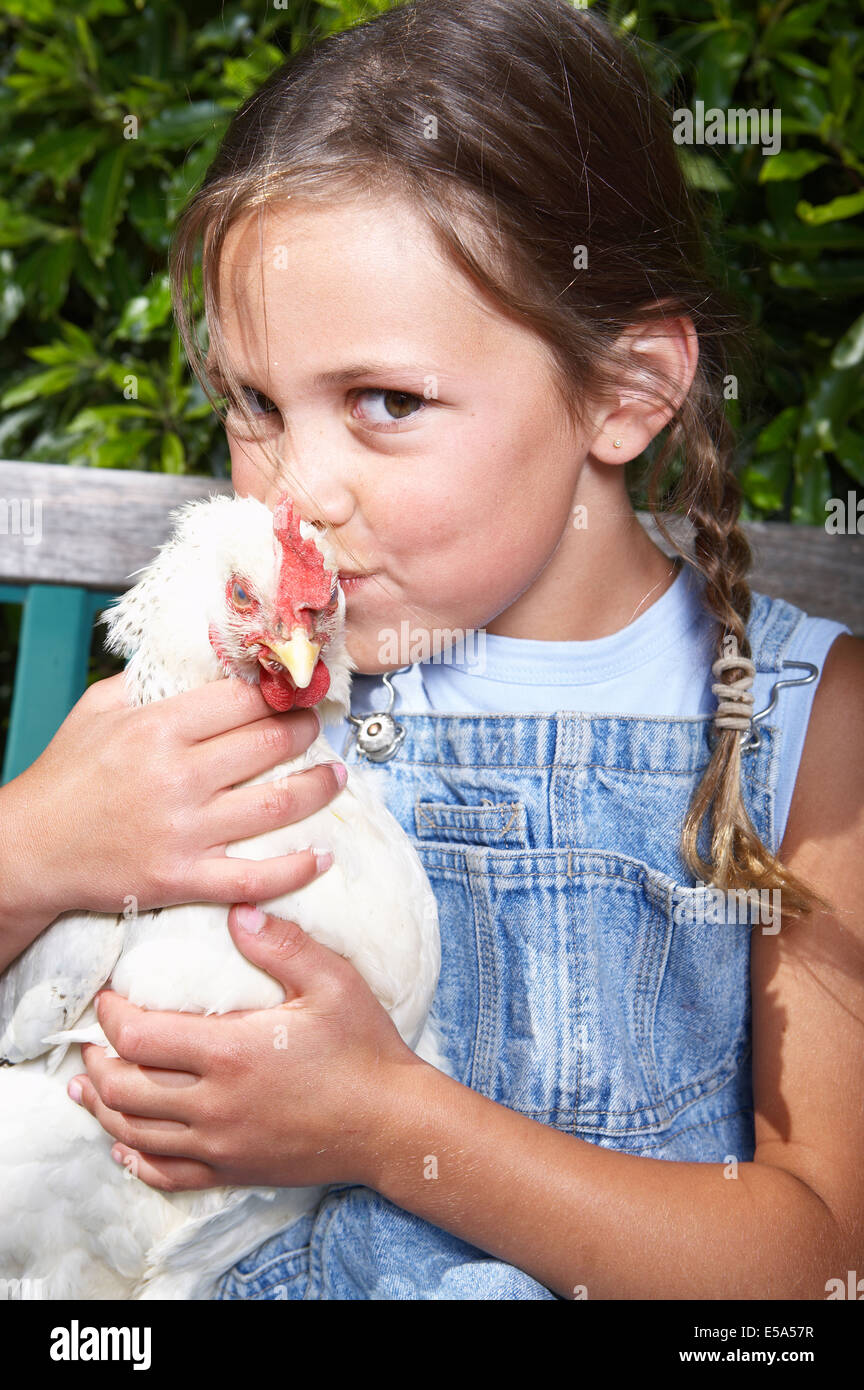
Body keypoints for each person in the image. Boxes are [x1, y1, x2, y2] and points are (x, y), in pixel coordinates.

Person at [3, 0, 862, 1299]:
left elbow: (819, 1259)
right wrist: (28, 847)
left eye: (385, 403)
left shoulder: (802, 725)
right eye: (253, 403)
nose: (299, 486)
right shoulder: (239, 678)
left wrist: (392, 1125)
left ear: (626, 391)